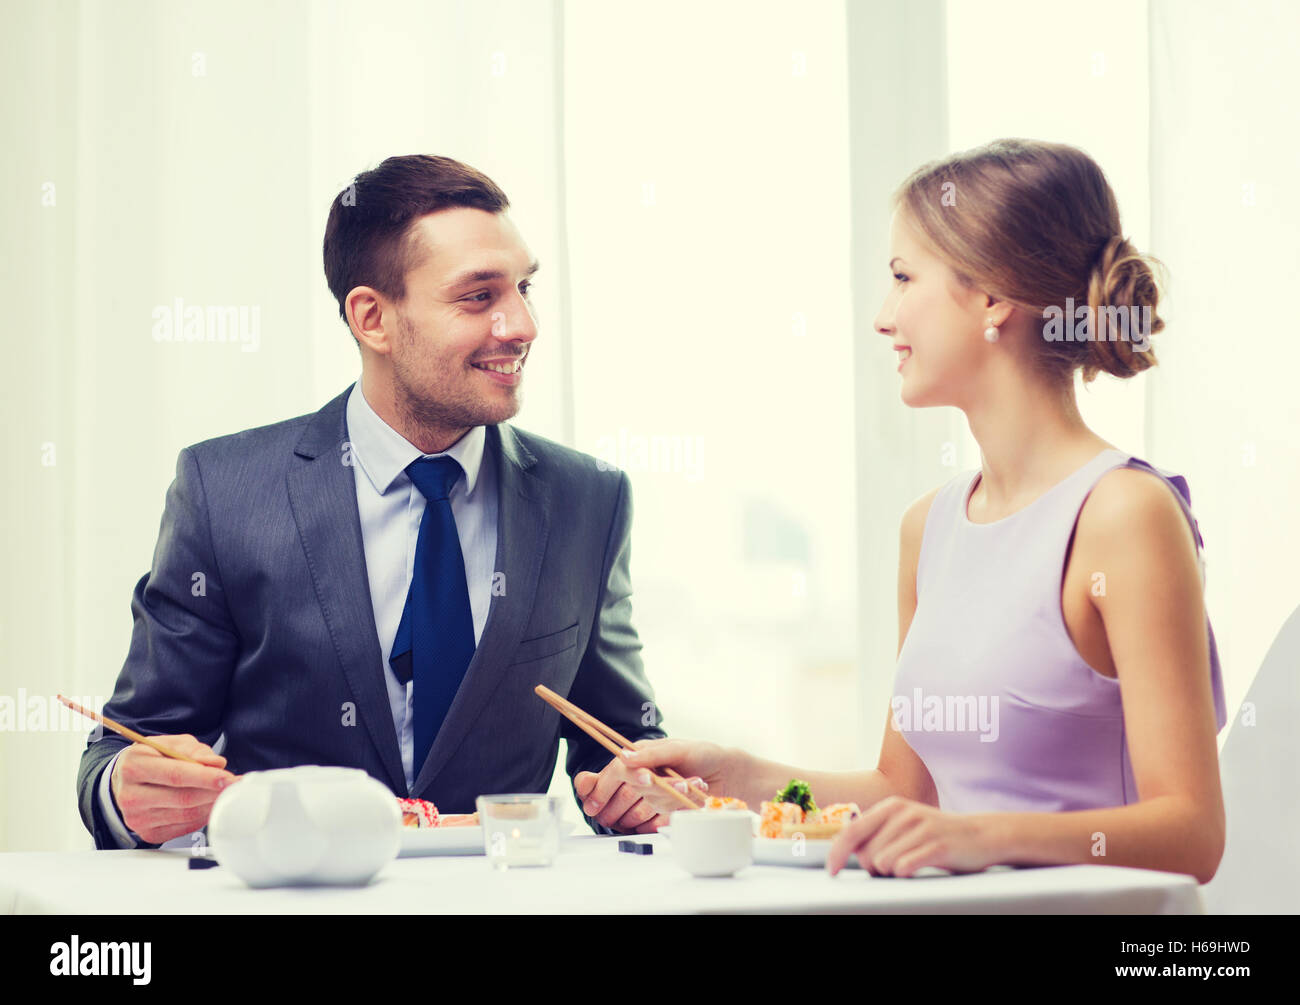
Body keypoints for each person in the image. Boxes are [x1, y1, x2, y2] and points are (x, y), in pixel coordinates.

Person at [611, 138, 1228, 884]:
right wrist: (736, 775)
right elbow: (905, 794)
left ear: (995, 296)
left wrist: (980, 835)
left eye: (904, 277)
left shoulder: (1125, 514)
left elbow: (1192, 830)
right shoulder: (928, 527)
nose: (883, 315)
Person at [76, 154, 668, 849]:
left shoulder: (587, 500)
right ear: (373, 318)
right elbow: (125, 751)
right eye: (479, 296)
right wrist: (127, 791)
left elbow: (621, 744)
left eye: (524, 287)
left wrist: (635, 789)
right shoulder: (225, 490)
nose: (523, 324)